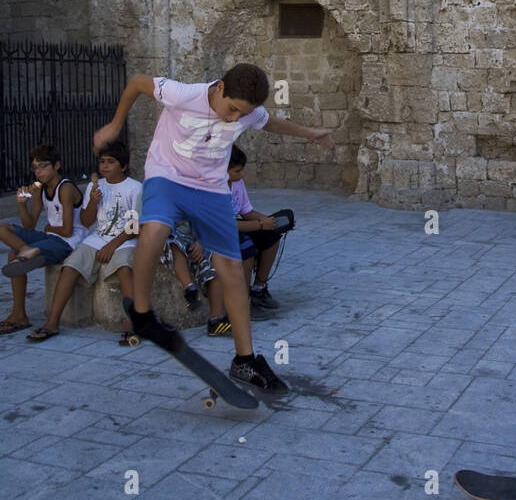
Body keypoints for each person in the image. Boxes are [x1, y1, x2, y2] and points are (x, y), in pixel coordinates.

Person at [92, 63, 334, 395]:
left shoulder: (247, 112)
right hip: (168, 175)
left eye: (242, 114)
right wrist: (115, 125)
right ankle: (143, 313)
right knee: (156, 230)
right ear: (219, 87)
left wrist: (312, 133)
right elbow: (136, 82)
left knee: (232, 269)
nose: (235, 118)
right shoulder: (183, 94)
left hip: (211, 188)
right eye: (232, 109)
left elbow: (272, 123)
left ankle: (245, 359)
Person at [26, 141, 141, 344]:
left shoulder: (135, 188)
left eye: (110, 162)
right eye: (102, 162)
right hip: (98, 238)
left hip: (123, 241)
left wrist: (112, 246)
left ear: (123, 166)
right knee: (70, 267)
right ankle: (52, 322)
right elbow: (87, 221)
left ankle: (131, 323)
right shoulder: (94, 187)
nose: (104, 166)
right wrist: (94, 202)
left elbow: (133, 228)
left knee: (124, 268)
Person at [0, 144, 88, 334]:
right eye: (35, 167)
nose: (38, 172)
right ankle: (19, 315)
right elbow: (30, 225)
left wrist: (49, 227)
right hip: (50, 237)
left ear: (57, 165)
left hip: (67, 242)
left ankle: (27, 252)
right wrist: (22, 205)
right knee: (3, 228)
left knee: (13, 256)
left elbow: (67, 230)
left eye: (43, 166)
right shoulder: (41, 189)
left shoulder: (65, 188)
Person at [227, 146, 294, 315]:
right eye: (237, 171)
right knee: (246, 246)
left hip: (237, 225)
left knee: (272, 235)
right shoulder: (213, 188)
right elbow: (225, 224)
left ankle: (259, 287)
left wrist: (268, 221)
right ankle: (244, 300)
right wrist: (259, 225)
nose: (241, 175)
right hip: (220, 231)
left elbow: (247, 211)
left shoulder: (237, 183)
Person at [159, 221, 231, 337]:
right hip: (169, 239)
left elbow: (205, 220)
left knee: (213, 264)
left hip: (194, 240)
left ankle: (216, 319)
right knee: (174, 245)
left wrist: (201, 242)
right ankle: (189, 288)